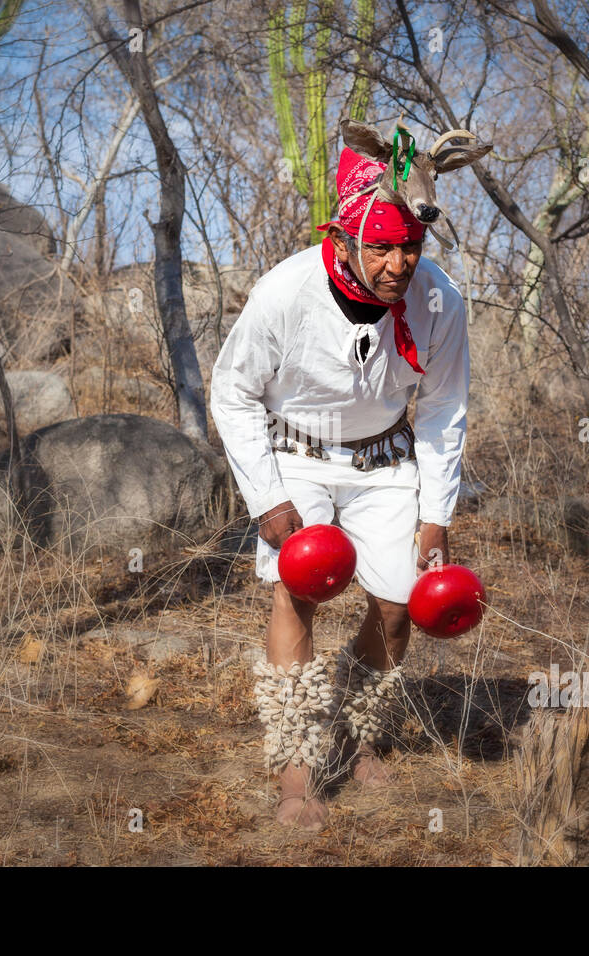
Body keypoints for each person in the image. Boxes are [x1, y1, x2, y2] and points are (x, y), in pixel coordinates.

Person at [209, 143, 470, 830]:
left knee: (398, 606)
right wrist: (268, 497)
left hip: (385, 461)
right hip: (295, 456)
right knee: (298, 597)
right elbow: (232, 393)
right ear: (346, 235)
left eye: (409, 247)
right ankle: (298, 776)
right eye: (380, 248)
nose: (397, 266)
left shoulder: (440, 299)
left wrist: (436, 513)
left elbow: (443, 409)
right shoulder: (285, 291)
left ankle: (355, 735)